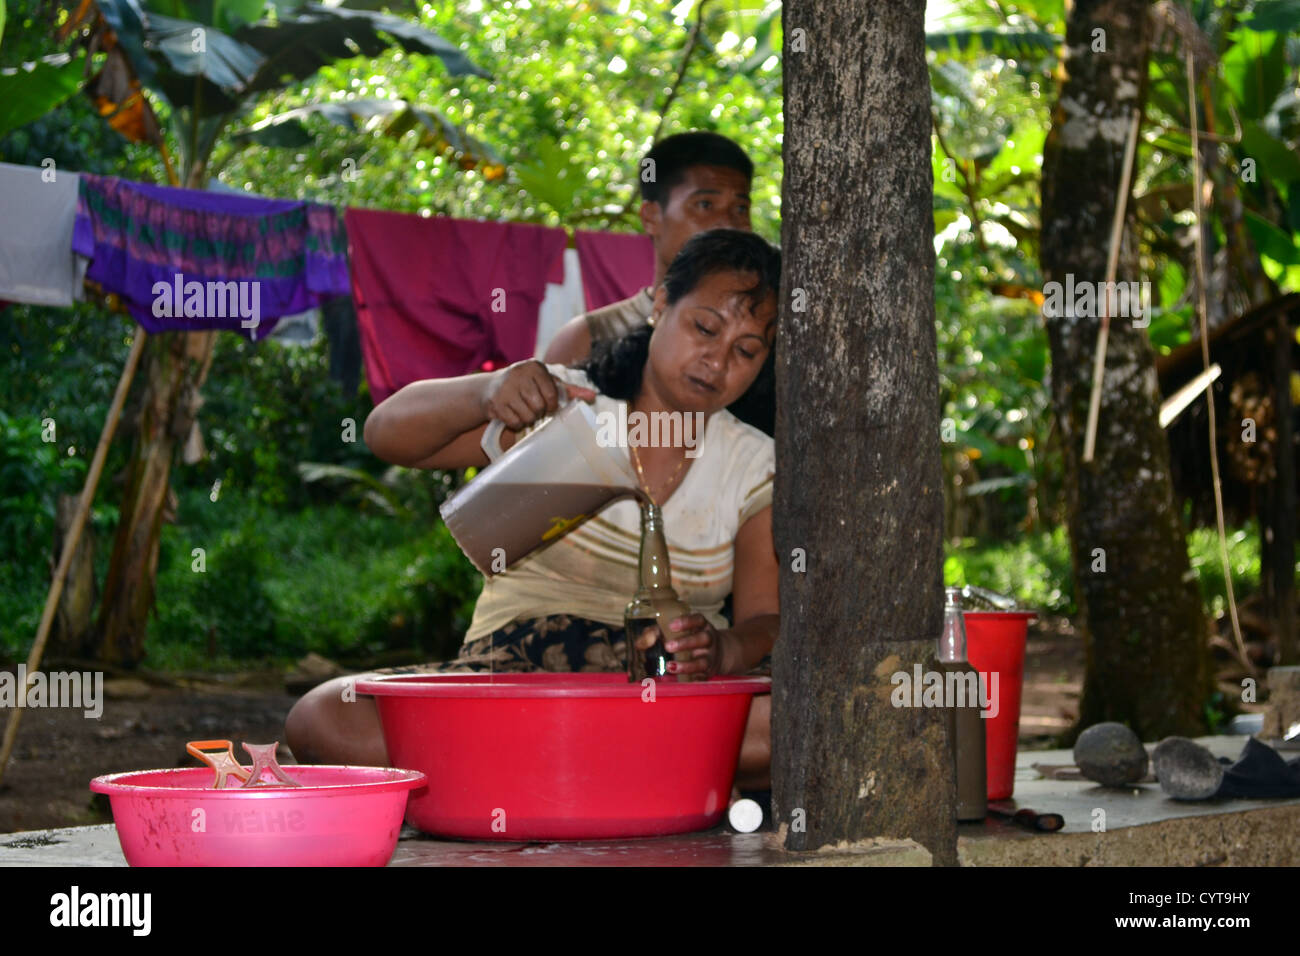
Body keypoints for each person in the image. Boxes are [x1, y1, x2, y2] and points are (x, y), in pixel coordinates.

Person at [286, 230, 779, 790]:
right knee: (324, 715)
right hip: (509, 680)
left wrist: (722, 648)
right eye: (705, 328)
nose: (716, 361)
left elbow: (765, 620)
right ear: (662, 303)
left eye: (746, 350)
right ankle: (614, 775)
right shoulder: (564, 405)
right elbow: (385, 435)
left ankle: (513, 775)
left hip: (660, 696)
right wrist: (486, 391)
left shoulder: (754, 462)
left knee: (791, 724)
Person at [544, 131, 775, 437]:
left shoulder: (767, 335)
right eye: (705, 205)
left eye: (740, 209)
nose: (728, 223)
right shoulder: (590, 336)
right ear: (651, 216)